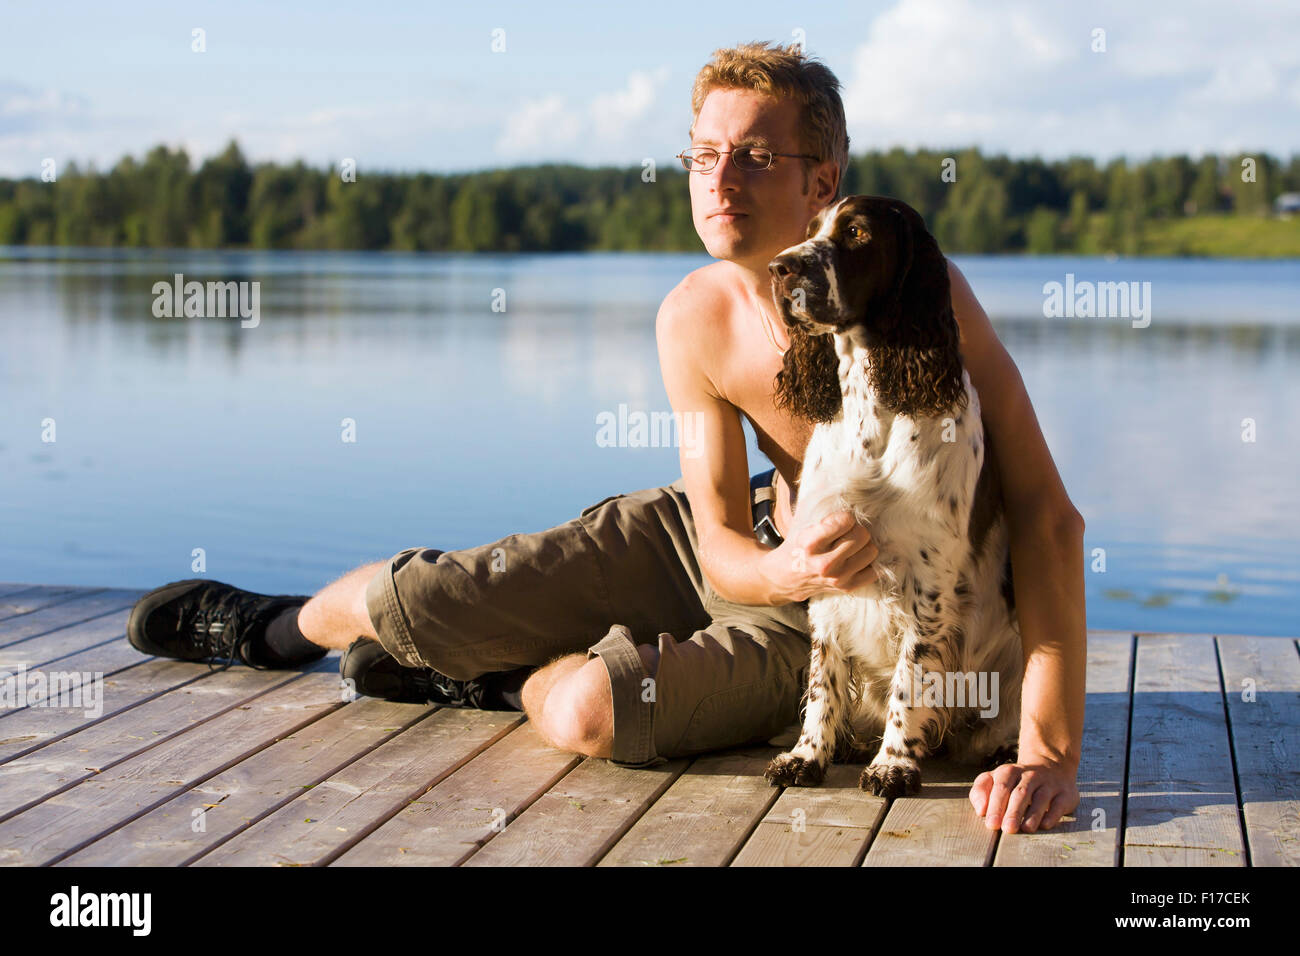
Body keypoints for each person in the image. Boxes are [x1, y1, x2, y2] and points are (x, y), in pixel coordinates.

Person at [127, 41, 1086, 834]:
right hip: (749, 546)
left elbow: (1047, 520)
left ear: (822, 178)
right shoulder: (692, 317)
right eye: (704, 155)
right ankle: (273, 630)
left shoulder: (922, 291)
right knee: (432, 592)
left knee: (591, 708)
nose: (722, 180)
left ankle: (503, 682)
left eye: (755, 157)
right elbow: (717, 539)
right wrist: (782, 562)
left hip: (830, 624)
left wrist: (1047, 747)